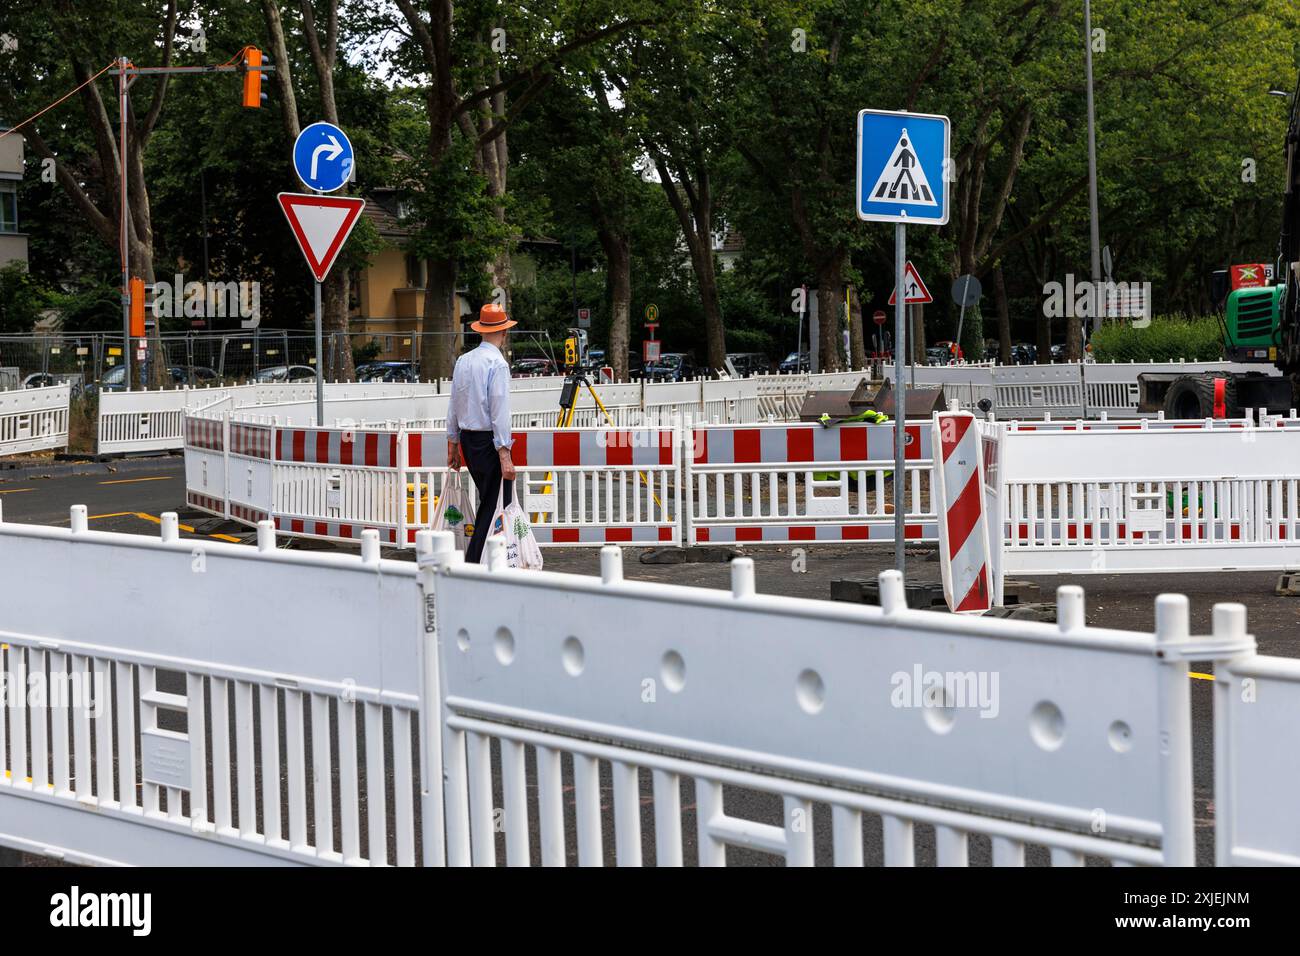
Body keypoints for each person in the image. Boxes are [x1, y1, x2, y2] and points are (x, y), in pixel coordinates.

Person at [446, 303, 517, 563]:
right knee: (497, 501)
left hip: (468, 438)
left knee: (488, 499)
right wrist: (504, 453)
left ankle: (485, 557)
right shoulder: (497, 364)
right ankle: (479, 558)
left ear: (481, 331)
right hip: (488, 441)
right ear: (504, 332)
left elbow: (454, 403)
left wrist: (453, 443)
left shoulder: (464, 361)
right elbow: (500, 411)